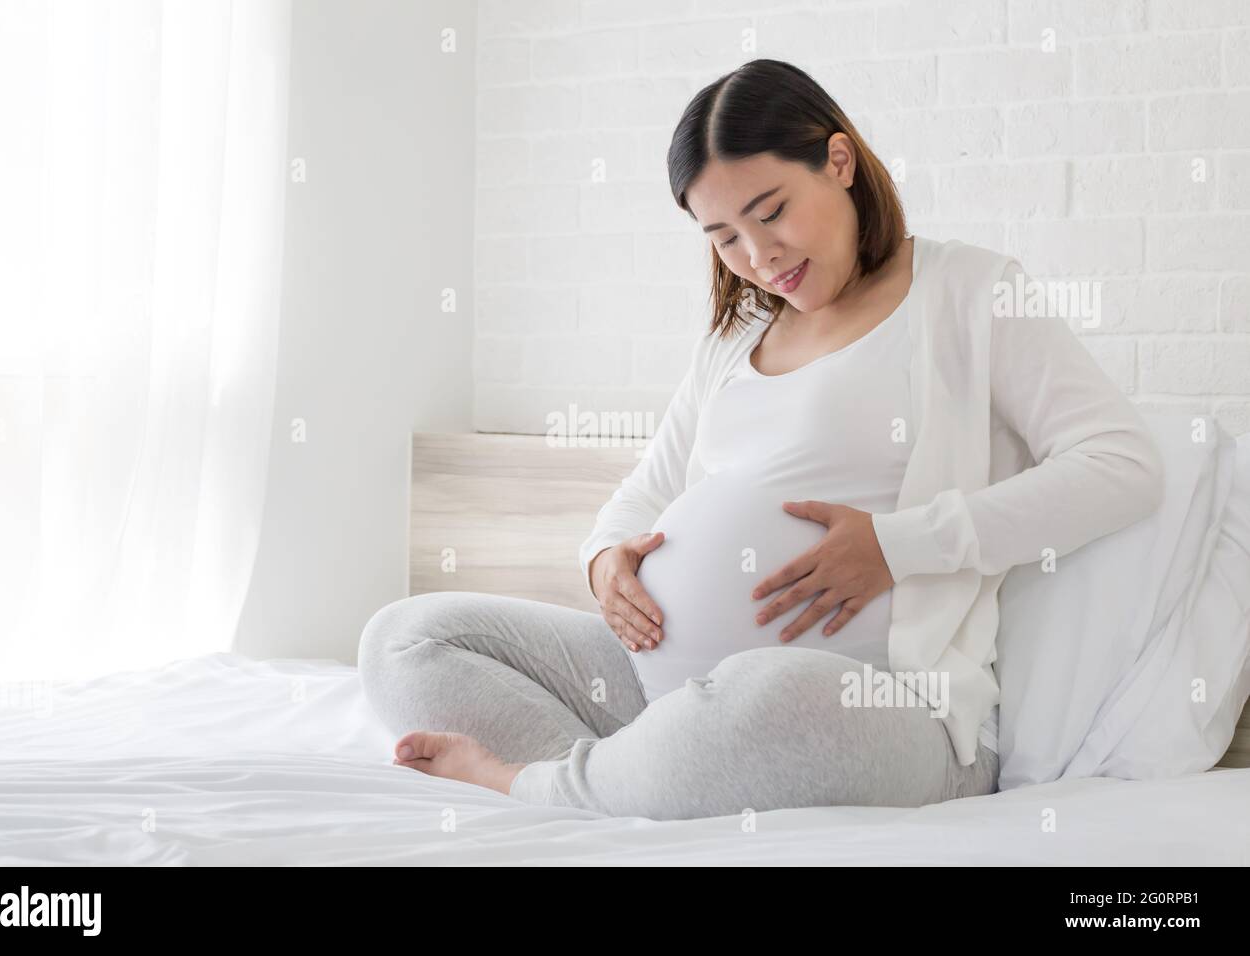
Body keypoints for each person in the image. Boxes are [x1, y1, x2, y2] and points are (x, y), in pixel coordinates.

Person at [356, 59, 1164, 820]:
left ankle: (527, 784)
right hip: (661, 689)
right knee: (404, 639)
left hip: (881, 707)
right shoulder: (737, 337)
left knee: (757, 698)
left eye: (771, 211)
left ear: (839, 161)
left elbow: (1122, 465)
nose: (757, 255)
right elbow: (645, 490)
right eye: (723, 236)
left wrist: (898, 546)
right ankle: (638, 777)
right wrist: (604, 559)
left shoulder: (970, 292)